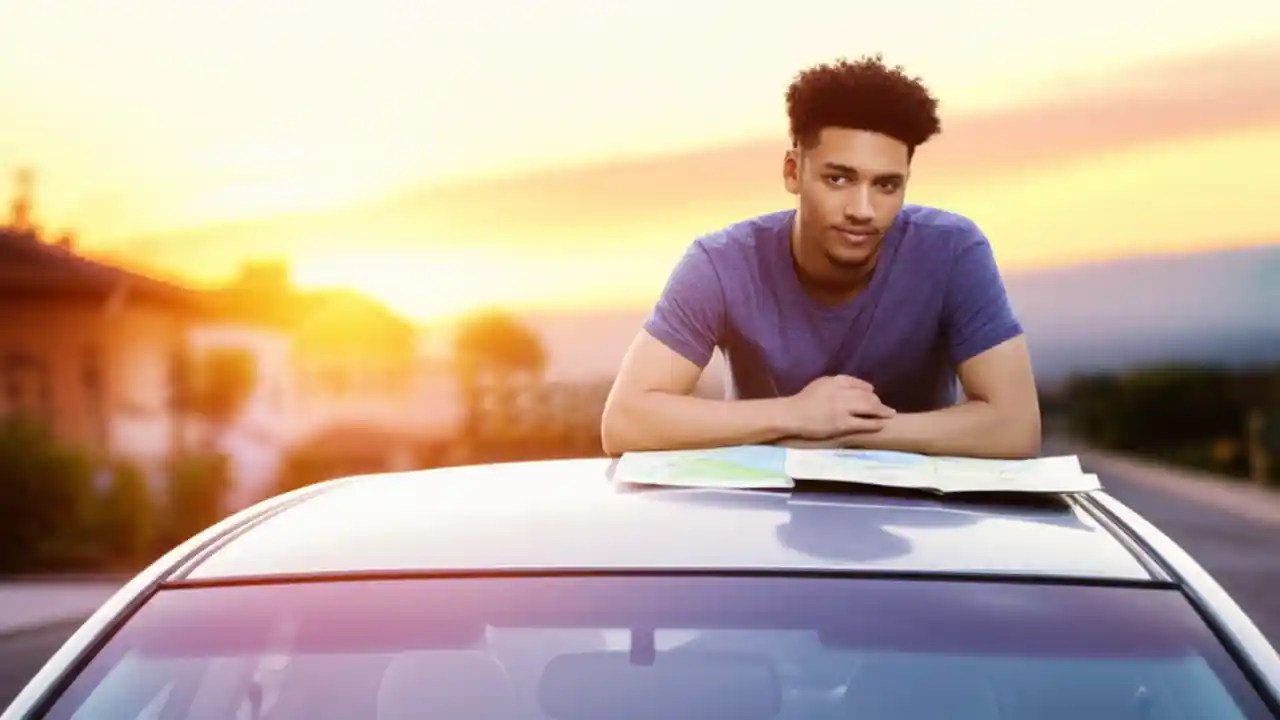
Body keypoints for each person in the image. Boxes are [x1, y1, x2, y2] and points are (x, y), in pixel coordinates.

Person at [601, 55, 1040, 459]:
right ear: (794, 171)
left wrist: (842, 431)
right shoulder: (721, 264)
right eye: (839, 179)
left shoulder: (953, 251)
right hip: (765, 521)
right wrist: (794, 414)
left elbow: (1016, 427)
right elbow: (625, 422)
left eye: (886, 185)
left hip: (917, 523)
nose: (863, 210)